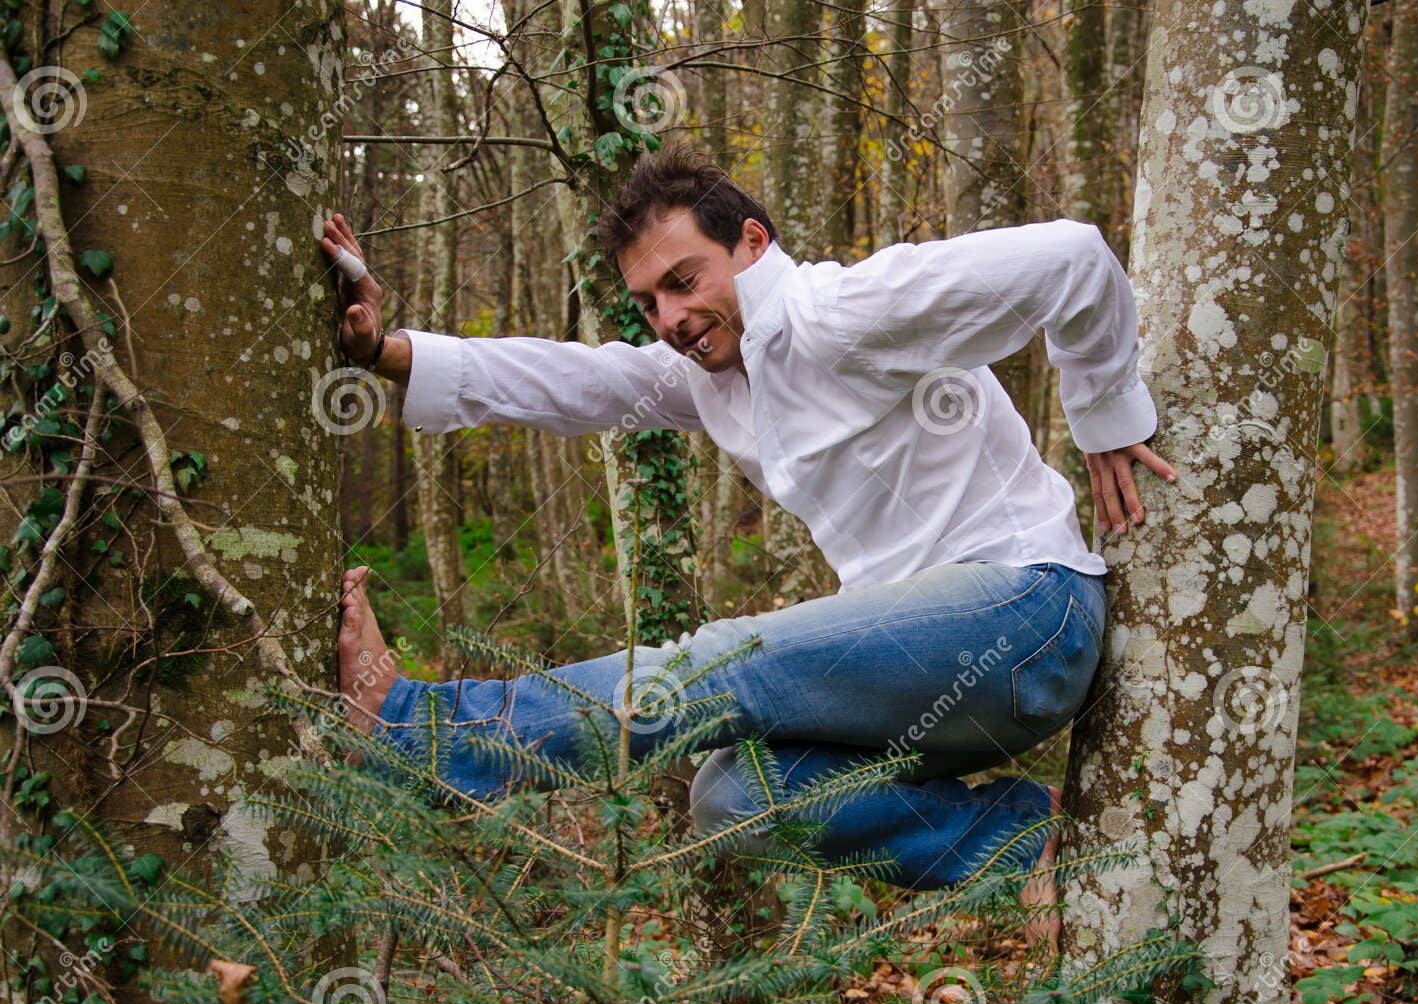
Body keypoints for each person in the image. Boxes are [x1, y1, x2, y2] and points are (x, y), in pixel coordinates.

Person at [319, 142, 1174, 896]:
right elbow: (577, 381)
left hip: (1026, 612)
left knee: (729, 664)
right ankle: (1024, 846)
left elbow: (1071, 258)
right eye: (648, 302)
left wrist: (1105, 414)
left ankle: (417, 732)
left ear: (754, 245)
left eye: (684, 281)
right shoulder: (711, 376)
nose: (670, 319)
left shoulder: (840, 310)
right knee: (734, 795)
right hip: (935, 688)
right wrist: (385, 352)